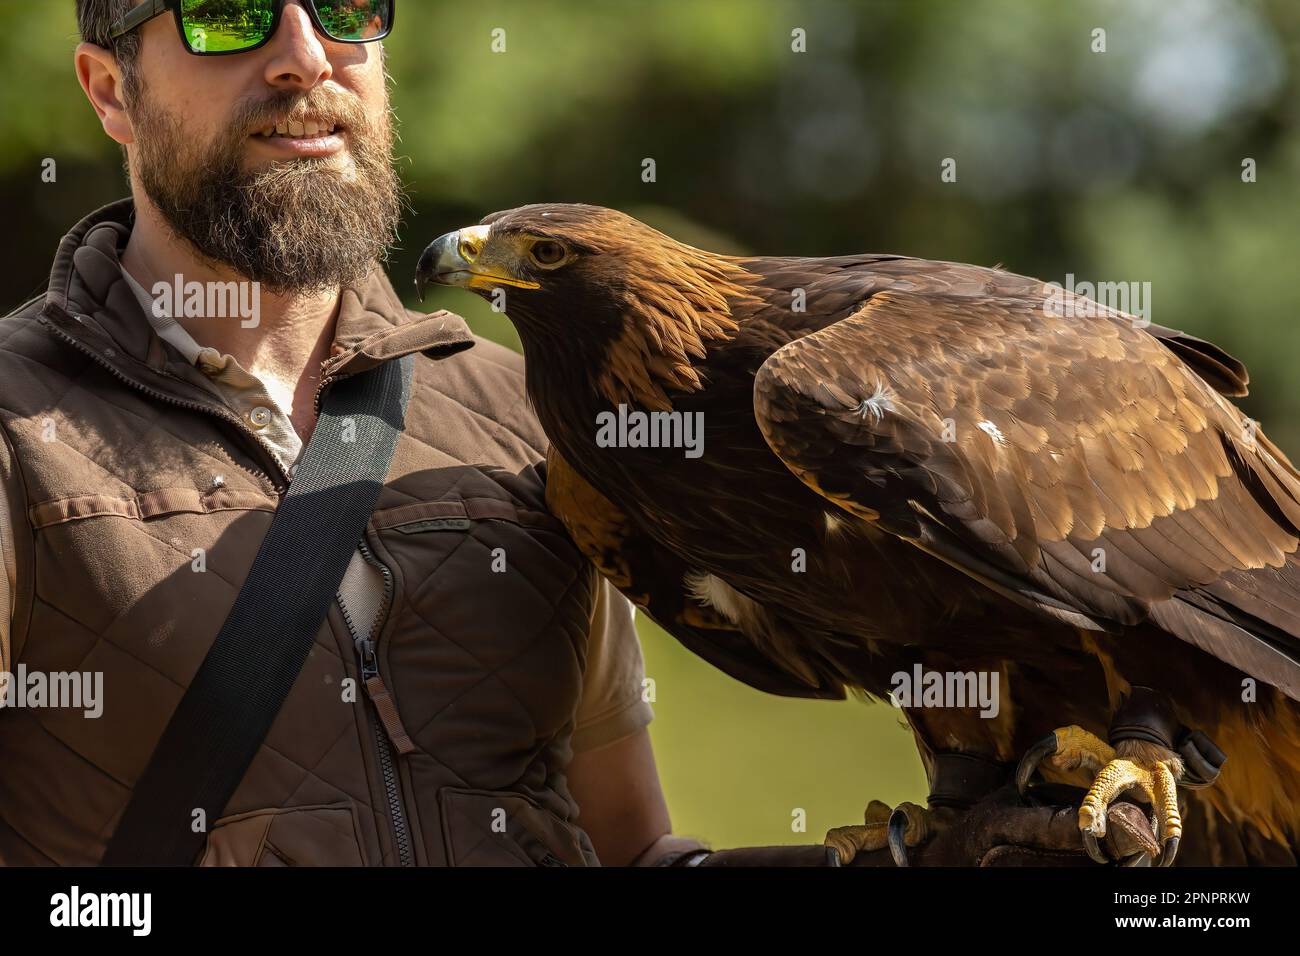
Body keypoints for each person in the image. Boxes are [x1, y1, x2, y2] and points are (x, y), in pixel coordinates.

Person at [0, 0, 711, 866]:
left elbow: (628, 848)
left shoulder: (526, 413)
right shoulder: (17, 434)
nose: (306, 57)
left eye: (345, 9)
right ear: (110, 90)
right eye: (227, 15)